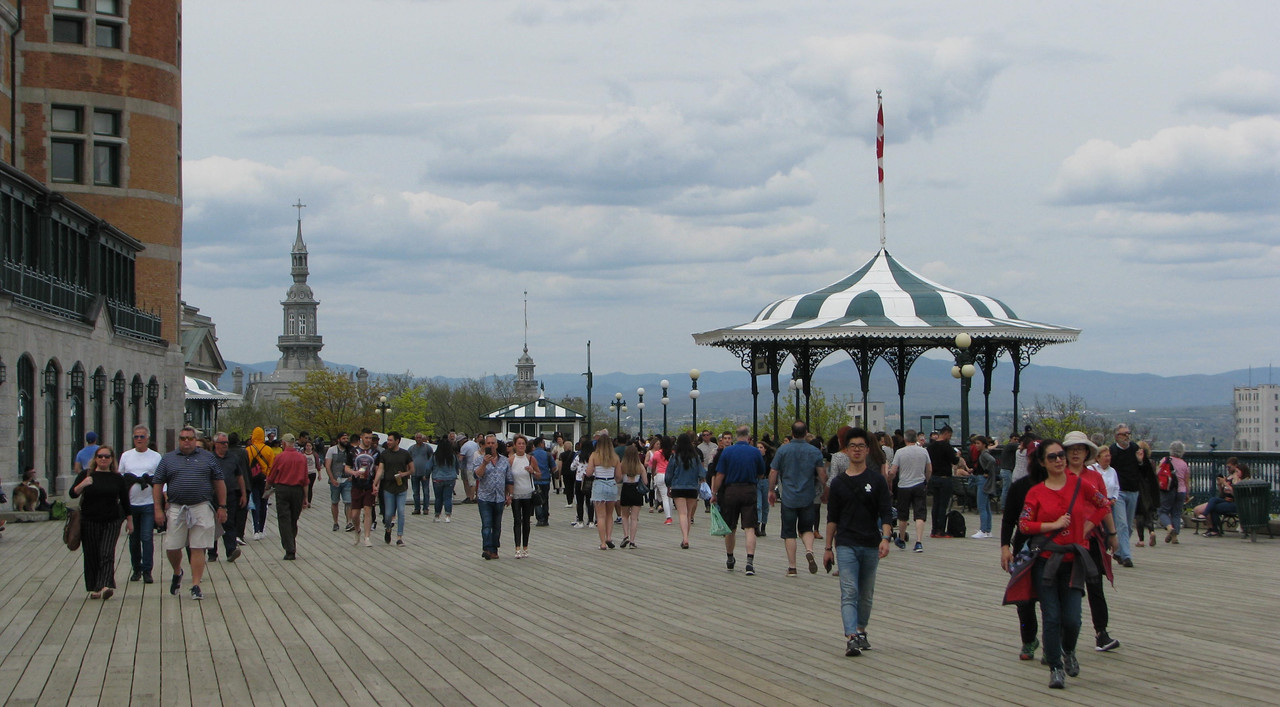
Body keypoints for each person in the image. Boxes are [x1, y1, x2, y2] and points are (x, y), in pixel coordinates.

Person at [1018, 439, 1111, 689]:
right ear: (1042, 462)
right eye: (1053, 457)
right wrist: (1053, 525)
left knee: (1072, 619)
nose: (1059, 460)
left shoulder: (1080, 484)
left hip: (1073, 561)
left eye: (1061, 455)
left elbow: (1104, 504)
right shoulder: (1035, 492)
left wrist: (1088, 527)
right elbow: (1024, 524)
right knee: (1051, 616)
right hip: (1046, 561)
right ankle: (1056, 667)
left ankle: (1069, 650)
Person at [822, 428, 893, 656]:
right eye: (852, 446)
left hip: (871, 541)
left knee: (866, 593)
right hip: (846, 542)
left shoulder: (877, 481)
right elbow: (832, 517)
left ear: (867, 450)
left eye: (861, 446)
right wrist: (827, 548)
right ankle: (851, 635)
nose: (856, 450)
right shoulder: (839, 484)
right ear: (847, 450)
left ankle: (861, 629)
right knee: (849, 590)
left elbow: (885, 512)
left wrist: (885, 538)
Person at [1061, 431, 1121, 654]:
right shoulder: (1059, 476)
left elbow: (1104, 506)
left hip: (1091, 538)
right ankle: (1062, 636)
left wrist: (1112, 534)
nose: (1076, 452)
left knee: (1095, 584)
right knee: (1064, 587)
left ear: (1087, 452)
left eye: (1080, 448)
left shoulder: (1094, 477)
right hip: (1064, 539)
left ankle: (1101, 633)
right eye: (1071, 448)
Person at [152, 426, 229, 600]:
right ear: (178, 440)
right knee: (172, 546)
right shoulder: (168, 459)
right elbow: (157, 483)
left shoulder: (208, 458)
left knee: (197, 546)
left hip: (201, 506)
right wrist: (157, 509)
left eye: (190, 438)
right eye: (183, 438)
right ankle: (177, 571)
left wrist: (222, 506)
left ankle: (196, 584)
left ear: (195, 440)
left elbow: (219, 482)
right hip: (177, 507)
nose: (186, 441)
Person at [999, 441, 1050, 662]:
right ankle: (1029, 639)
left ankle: (1051, 643)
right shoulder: (1019, 487)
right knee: (1024, 600)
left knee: (1050, 600)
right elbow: (1009, 519)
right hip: (1024, 547)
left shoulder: (1057, 485)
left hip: (1051, 546)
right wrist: (1005, 547)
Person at [69, 445, 131, 600]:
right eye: (100, 456)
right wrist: (83, 484)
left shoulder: (117, 478)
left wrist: (130, 521)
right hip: (89, 520)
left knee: (106, 553)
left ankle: (105, 585)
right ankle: (95, 587)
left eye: (107, 457)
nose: (103, 459)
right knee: (92, 554)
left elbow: (125, 501)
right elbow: (72, 494)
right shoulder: (86, 474)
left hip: (111, 520)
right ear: (95, 459)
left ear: (112, 460)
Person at [769, 421, 827, 577]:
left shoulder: (783, 450)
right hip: (807, 496)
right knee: (807, 528)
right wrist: (825, 489)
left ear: (792, 433)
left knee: (789, 533)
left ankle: (792, 567)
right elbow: (822, 474)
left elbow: (773, 471)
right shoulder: (814, 452)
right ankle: (809, 550)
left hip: (788, 497)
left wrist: (771, 491)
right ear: (806, 432)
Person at [711, 426, 764, 574]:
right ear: (748, 437)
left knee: (730, 528)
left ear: (735, 437)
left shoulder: (727, 451)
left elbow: (720, 474)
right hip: (749, 490)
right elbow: (761, 473)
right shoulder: (755, 452)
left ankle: (730, 558)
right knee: (749, 528)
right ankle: (749, 562)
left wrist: (714, 493)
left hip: (731, 491)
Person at [119, 425, 163, 582]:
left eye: (142, 437)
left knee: (146, 537)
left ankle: (147, 570)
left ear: (148, 439)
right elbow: (121, 478)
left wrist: (163, 503)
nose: (139, 439)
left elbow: (161, 480)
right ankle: (136, 568)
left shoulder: (156, 457)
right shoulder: (126, 456)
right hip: (131, 504)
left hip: (149, 503)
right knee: (133, 538)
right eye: (136, 437)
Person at [888, 429, 931, 552]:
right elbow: (929, 469)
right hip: (919, 484)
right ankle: (918, 541)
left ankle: (901, 539)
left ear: (905, 439)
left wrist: (889, 479)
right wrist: (926, 481)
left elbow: (893, 471)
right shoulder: (924, 452)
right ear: (916, 438)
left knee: (903, 515)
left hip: (904, 486)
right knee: (920, 514)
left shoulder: (900, 452)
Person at [269, 433, 311, 559]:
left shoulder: (280, 457)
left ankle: (289, 548)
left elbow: (272, 475)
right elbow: (305, 479)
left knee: (284, 519)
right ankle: (291, 541)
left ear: (284, 443)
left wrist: (267, 487)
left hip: (282, 489)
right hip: (297, 490)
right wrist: (306, 497)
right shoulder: (302, 458)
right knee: (293, 519)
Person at [210, 432, 248, 564]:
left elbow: (240, 476)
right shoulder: (210, 458)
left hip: (230, 493)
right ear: (215, 444)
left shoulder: (233, 457)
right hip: (212, 495)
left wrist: (243, 494)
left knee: (229, 522)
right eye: (222, 443)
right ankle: (212, 553)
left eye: (226, 443)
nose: (225, 445)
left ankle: (231, 550)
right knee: (212, 523)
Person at [474, 434, 513, 559]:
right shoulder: (479, 460)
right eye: (488, 443)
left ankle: (494, 549)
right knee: (486, 524)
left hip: (499, 497)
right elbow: (477, 476)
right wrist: (484, 463)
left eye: (493, 443)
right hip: (485, 497)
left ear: (496, 445)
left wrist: (509, 495)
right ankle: (486, 548)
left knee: (497, 525)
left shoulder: (504, 460)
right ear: (485, 445)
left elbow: (509, 479)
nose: (490, 445)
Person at [665, 432, 706, 549]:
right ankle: (687, 537)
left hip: (678, 487)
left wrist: (669, 486)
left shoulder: (675, 456)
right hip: (692, 488)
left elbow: (669, 474)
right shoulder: (695, 457)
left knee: (682, 513)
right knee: (688, 514)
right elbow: (702, 472)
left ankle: (685, 538)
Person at [927, 425, 969, 537]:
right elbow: (955, 461)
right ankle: (940, 530)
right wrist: (957, 456)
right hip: (945, 478)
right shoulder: (946, 446)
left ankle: (934, 529)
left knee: (935, 504)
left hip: (934, 477)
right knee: (943, 505)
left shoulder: (931, 447)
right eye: (949, 435)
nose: (949, 438)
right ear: (946, 433)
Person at [1107, 424, 1140, 567]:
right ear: (1116, 436)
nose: (1126, 436)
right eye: (1123, 434)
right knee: (1122, 524)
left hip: (1133, 489)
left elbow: (1143, 471)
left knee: (1128, 525)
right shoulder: (1112, 451)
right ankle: (1127, 556)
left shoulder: (1134, 449)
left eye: (1128, 433)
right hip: (1119, 491)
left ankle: (1119, 551)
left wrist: (1140, 461)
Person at [375, 431, 413, 546]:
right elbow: (380, 469)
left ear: (397, 441)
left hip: (401, 487)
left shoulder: (405, 454)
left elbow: (412, 469)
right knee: (388, 514)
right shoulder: (384, 454)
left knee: (401, 511)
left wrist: (404, 474)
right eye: (388, 440)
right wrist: (375, 482)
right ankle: (388, 529)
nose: (388, 442)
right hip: (388, 487)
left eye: (391, 440)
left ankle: (399, 537)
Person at [587, 431, 621, 550]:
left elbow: (589, 472)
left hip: (599, 484)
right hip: (611, 483)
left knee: (600, 516)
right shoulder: (615, 457)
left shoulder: (594, 456)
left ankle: (602, 543)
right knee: (609, 515)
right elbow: (619, 476)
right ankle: (609, 537)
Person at [345, 430, 380, 548]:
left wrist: (376, 484)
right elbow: (346, 468)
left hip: (369, 485)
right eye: (366, 438)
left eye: (370, 438)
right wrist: (353, 472)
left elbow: (377, 469)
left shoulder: (375, 452)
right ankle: (357, 530)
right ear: (361, 438)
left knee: (367, 510)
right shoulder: (353, 452)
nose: (368, 440)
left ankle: (367, 537)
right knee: (354, 514)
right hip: (356, 485)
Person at [1198, 462, 1249, 537]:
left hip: (1238, 504)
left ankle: (1214, 529)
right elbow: (1224, 493)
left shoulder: (1244, 481)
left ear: (1243, 472)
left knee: (1214, 508)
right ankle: (1205, 516)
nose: (1236, 473)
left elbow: (1237, 495)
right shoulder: (1235, 479)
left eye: (1238, 471)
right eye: (1236, 471)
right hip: (1227, 499)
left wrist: (1225, 483)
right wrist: (1221, 485)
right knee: (1213, 500)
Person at [508, 435, 538, 558]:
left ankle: (525, 547)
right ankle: (517, 548)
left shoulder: (531, 459)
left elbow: (540, 474)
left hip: (528, 493)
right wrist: (508, 494)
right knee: (517, 521)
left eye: (523, 444)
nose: (521, 446)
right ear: (515, 445)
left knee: (526, 521)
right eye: (519, 443)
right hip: (515, 494)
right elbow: (507, 478)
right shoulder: (510, 460)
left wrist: (533, 471)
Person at [245, 426, 277, 541]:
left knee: (255, 504)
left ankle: (256, 529)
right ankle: (263, 529)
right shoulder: (268, 450)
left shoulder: (248, 450)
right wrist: (268, 477)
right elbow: (272, 466)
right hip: (265, 481)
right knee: (264, 504)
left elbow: (246, 466)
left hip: (252, 480)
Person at [1158, 440, 1191, 545]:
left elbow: (1158, 474)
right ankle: (1174, 537)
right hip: (1181, 491)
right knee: (1176, 513)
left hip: (1168, 489)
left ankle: (1169, 527)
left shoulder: (1165, 460)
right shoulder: (1184, 464)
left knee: (1162, 511)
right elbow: (1186, 481)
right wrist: (1187, 494)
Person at [618, 445, 650, 549]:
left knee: (624, 516)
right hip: (636, 491)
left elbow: (618, 479)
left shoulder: (622, 465)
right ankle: (632, 541)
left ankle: (625, 535)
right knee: (634, 518)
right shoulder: (640, 466)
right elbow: (645, 481)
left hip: (626, 490)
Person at [1133, 441, 1161, 547]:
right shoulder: (1151, 462)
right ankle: (1152, 531)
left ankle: (1141, 539)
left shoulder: (1137, 462)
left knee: (1139, 514)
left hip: (1139, 489)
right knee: (1148, 513)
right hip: (1149, 489)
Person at [325, 431, 353, 532]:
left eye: (347, 439)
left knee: (348, 502)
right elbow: (328, 465)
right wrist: (332, 478)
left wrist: (352, 475)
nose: (345, 440)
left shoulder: (350, 451)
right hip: (335, 480)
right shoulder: (332, 450)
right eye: (343, 439)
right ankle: (335, 522)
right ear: (338, 439)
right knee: (335, 501)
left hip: (347, 479)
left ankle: (349, 522)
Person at [972, 437, 998, 538]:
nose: (976, 445)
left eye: (978, 443)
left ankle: (983, 530)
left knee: (981, 506)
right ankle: (988, 530)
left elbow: (992, 460)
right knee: (986, 506)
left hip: (982, 480)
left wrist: (986, 471)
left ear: (984, 444)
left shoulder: (984, 454)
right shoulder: (984, 453)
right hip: (985, 480)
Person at [427, 437, 458, 522]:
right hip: (450, 478)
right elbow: (457, 466)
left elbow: (428, 467)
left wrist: (427, 474)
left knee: (438, 498)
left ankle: (437, 516)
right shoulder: (452, 456)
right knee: (448, 498)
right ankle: (448, 516)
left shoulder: (435, 456)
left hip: (438, 478)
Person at [409, 433, 434, 515]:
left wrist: (429, 471)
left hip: (424, 473)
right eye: (417, 438)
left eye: (420, 438)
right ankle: (417, 508)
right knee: (415, 492)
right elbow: (408, 459)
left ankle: (426, 508)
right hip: (414, 473)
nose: (418, 439)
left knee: (426, 491)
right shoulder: (411, 448)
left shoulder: (427, 448)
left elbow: (431, 458)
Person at [530, 436, 553, 527]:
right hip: (545, 480)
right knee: (545, 499)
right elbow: (554, 467)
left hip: (535, 480)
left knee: (536, 500)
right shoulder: (547, 454)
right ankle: (545, 518)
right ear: (540, 444)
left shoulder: (531, 455)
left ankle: (540, 519)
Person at [754, 440, 773, 536]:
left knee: (765, 505)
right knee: (758, 505)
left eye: (761, 447)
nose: (759, 449)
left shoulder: (769, 459)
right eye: (757, 447)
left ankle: (763, 525)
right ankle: (757, 524)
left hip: (766, 481)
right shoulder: (754, 458)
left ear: (765, 449)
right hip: (757, 481)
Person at [457, 433, 481, 504]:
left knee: (471, 483)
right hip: (477, 465)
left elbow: (460, 459)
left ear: (461, 441)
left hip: (470, 466)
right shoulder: (474, 443)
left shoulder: (464, 447)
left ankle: (470, 498)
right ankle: (476, 497)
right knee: (476, 482)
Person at [561, 439, 580, 512]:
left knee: (567, 487)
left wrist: (559, 473)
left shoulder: (562, 454)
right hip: (573, 472)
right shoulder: (575, 454)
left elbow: (560, 464)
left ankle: (569, 501)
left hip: (565, 472)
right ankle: (575, 498)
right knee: (573, 486)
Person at [302, 440, 322, 507]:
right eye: (307, 446)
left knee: (310, 487)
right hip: (304, 473)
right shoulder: (302, 454)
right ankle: (304, 500)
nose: (308, 447)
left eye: (310, 446)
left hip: (312, 473)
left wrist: (319, 474)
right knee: (303, 487)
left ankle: (309, 501)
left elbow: (318, 465)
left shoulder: (314, 454)